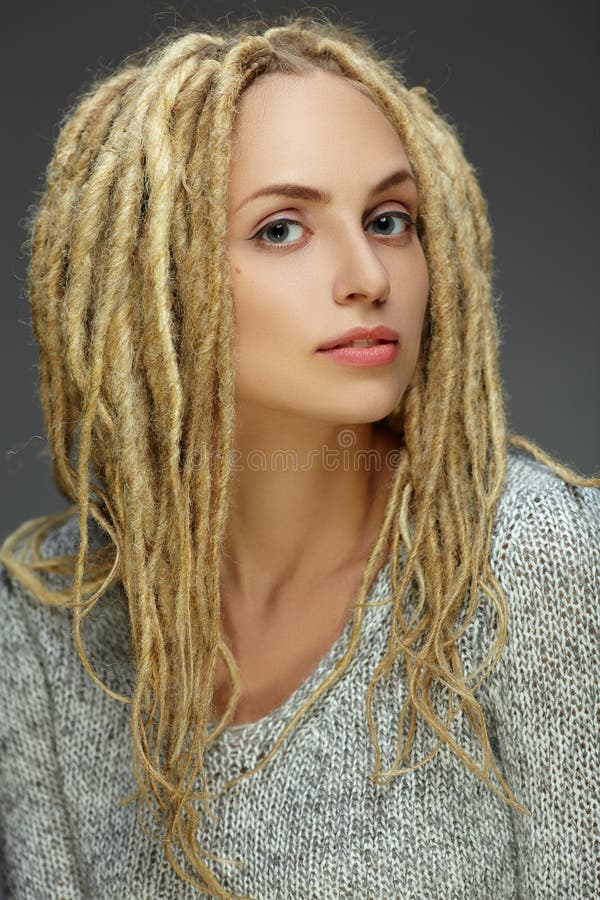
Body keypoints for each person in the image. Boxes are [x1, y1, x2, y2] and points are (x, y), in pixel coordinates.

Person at [0, 12, 598, 900]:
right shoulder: (51, 628)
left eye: (391, 219)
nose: (369, 274)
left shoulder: (529, 561)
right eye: (282, 229)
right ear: (154, 279)